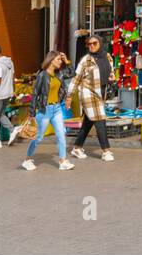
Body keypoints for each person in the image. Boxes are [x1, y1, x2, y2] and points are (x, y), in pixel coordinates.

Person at [22, 51, 74, 172]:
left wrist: (67, 61)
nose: (60, 62)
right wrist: (32, 113)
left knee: (61, 135)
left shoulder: (59, 74)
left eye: (60, 60)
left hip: (56, 109)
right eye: (58, 59)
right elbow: (35, 94)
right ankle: (27, 159)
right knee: (38, 137)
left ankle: (62, 161)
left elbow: (72, 73)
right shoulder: (42, 75)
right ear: (51, 60)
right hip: (44, 110)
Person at [69, 33, 115, 162]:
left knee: (89, 121)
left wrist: (112, 79)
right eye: (89, 44)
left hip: (101, 92)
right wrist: (69, 96)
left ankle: (77, 147)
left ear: (100, 43)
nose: (92, 46)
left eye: (95, 43)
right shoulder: (86, 60)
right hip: (88, 92)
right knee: (100, 118)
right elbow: (76, 78)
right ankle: (106, 151)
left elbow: (110, 72)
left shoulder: (107, 57)